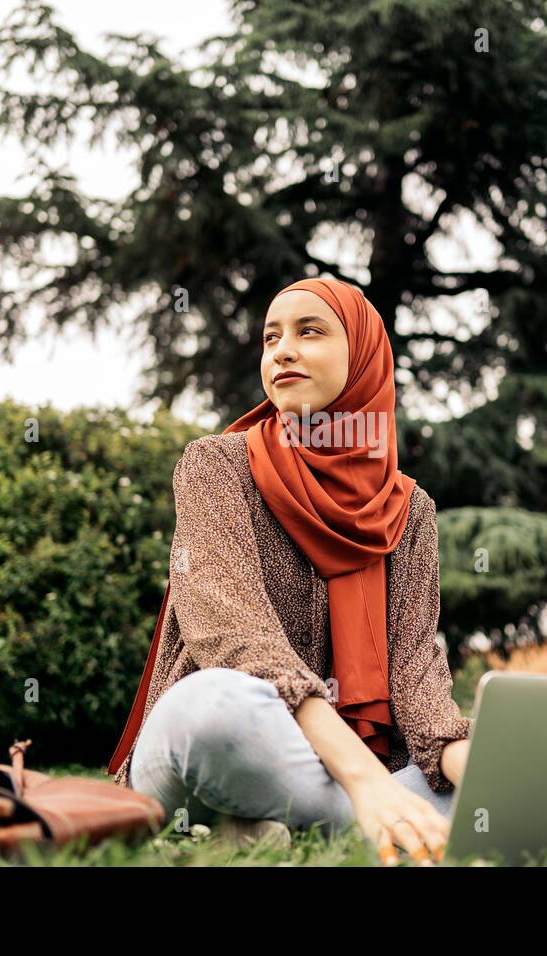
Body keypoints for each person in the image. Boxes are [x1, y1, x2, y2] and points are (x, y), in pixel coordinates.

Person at [106, 277, 472, 865]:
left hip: (339, 769)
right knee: (218, 705)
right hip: (227, 741)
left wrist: (474, 766)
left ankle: (278, 824)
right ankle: (374, 817)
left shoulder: (411, 510)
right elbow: (227, 628)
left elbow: (415, 675)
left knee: (477, 776)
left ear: (363, 357)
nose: (282, 350)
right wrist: (366, 780)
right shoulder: (217, 465)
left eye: (310, 331)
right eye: (271, 336)